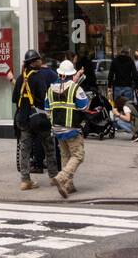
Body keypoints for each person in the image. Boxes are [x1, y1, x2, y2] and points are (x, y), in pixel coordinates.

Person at [12, 49, 57, 190]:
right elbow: (45, 98)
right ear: (33, 63)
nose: (40, 62)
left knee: (25, 149)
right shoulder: (38, 77)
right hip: (38, 118)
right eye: (38, 60)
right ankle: (53, 176)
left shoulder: (20, 78)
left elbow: (14, 99)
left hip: (23, 118)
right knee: (49, 147)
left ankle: (25, 180)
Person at [47, 60, 88, 199]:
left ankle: (68, 186)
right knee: (78, 155)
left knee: (65, 155)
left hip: (57, 129)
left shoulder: (50, 89)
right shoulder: (76, 88)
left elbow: (47, 109)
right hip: (71, 128)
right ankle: (62, 177)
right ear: (71, 74)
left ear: (59, 73)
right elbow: (84, 107)